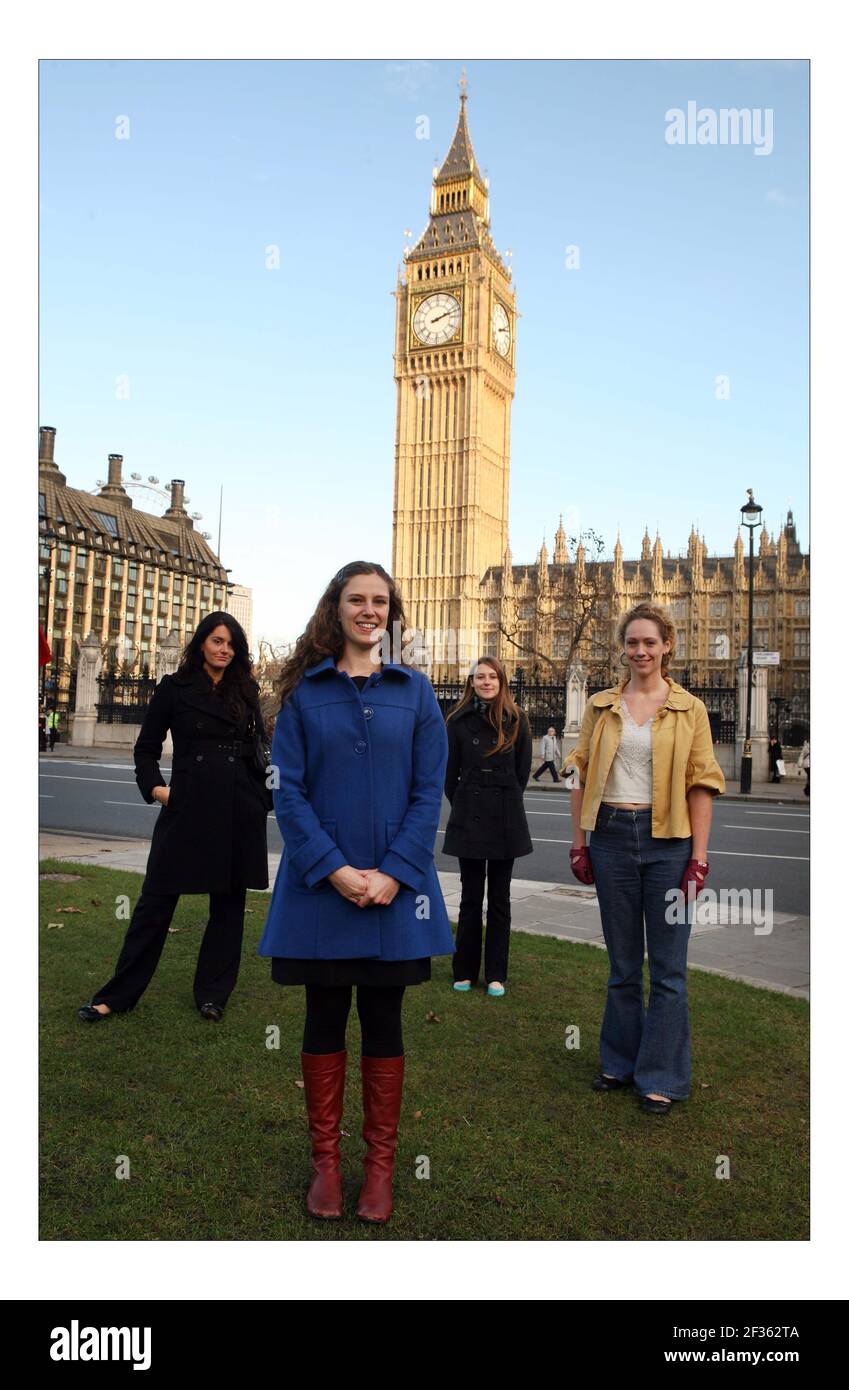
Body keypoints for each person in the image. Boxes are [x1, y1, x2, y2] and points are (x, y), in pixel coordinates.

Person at [258, 561, 454, 1225]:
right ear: (335, 609)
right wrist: (336, 870)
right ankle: (324, 1165)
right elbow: (288, 792)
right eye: (355, 599)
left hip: (396, 892)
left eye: (379, 600)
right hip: (321, 889)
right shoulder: (305, 696)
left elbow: (429, 794)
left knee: (383, 1021)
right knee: (321, 1017)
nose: (367, 610)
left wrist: (395, 872)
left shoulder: (417, 692)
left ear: (391, 613)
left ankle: (377, 1169)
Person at [563, 602, 725, 1116]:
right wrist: (580, 843)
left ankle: (662, 1077)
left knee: (670, 968)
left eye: (649, 643)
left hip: (668, 841)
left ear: (667, 646)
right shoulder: (600, 705)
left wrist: (698, 859)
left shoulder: (689, 709)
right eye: (632, 643)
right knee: (623, 964)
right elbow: (581, 774)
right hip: (611, 834)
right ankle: (620, 1061)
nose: (640, 651)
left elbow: (701, 783)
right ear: (623, 647)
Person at [78, 613, 271, 1024]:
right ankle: (118, 996)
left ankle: (212, 995)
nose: (224, 650)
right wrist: (159, 791)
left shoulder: (246, 689)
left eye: (231, 644)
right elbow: (145, 750)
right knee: (155, 902)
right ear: (201, 642)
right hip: (187, 807)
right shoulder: (174, 688)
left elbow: (258, 748)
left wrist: (259, 798)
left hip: (238, 807)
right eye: (217, 641)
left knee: (228, 905)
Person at [442, 656, 533, 998]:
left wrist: (502, 798)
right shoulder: (457, 721)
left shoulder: (517, 720)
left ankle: (495, 973)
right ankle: (464, 970)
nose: (485, 682)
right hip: (470, 818)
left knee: (499, 900)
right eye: (479, 677)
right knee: (469, 898)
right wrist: (468, 801)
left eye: (492, 676)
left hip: (505, 818)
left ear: (501, 681)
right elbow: (449, 778)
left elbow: (522, 773)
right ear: (471, 682)